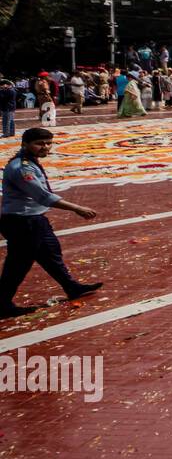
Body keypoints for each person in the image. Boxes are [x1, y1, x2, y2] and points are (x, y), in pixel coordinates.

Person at [1, 128, 102, 319]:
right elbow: (43, 196)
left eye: (48, 143)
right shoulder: (22, 168)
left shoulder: (29, 163)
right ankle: (2, 303)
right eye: (39, 143)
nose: (45, 147)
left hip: (35, 220)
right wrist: (76, 208)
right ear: (25, 144)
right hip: (22, 221)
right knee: (18, 264)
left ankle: (71, 287)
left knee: (50, 254)